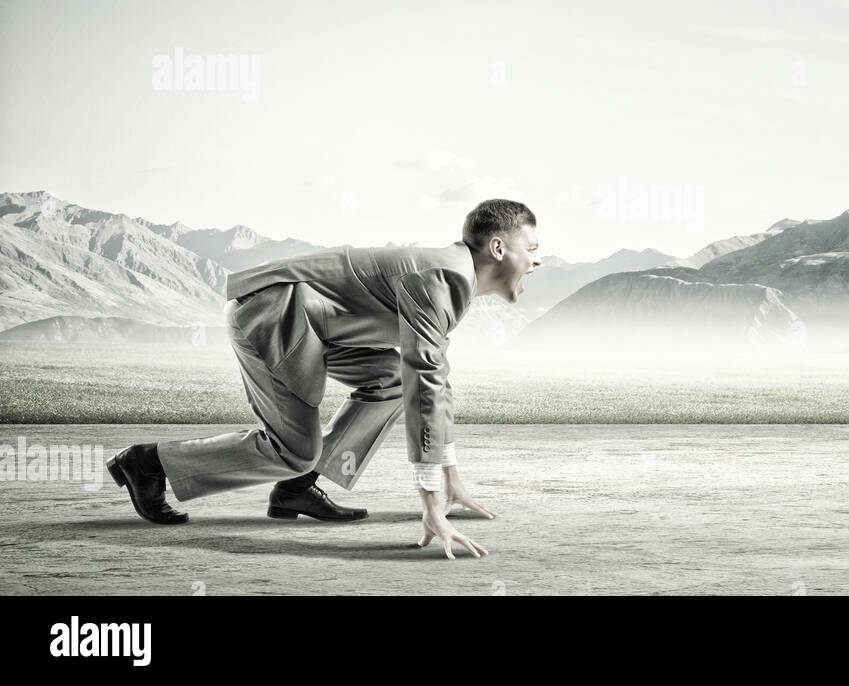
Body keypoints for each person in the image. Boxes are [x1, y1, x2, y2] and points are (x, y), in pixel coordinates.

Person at [106, 198, 541, 560]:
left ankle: (296, 489)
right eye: (532, 248)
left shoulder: (451, 277)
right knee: (295, 450)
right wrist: (431, 505)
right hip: (273, 313)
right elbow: (426, 386)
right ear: (498, 248)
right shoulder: (442, 279)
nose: (537, 260)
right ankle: (148, 463)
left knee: (392, 380)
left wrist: (451, 479)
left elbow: (434, 383)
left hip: (318, 325)